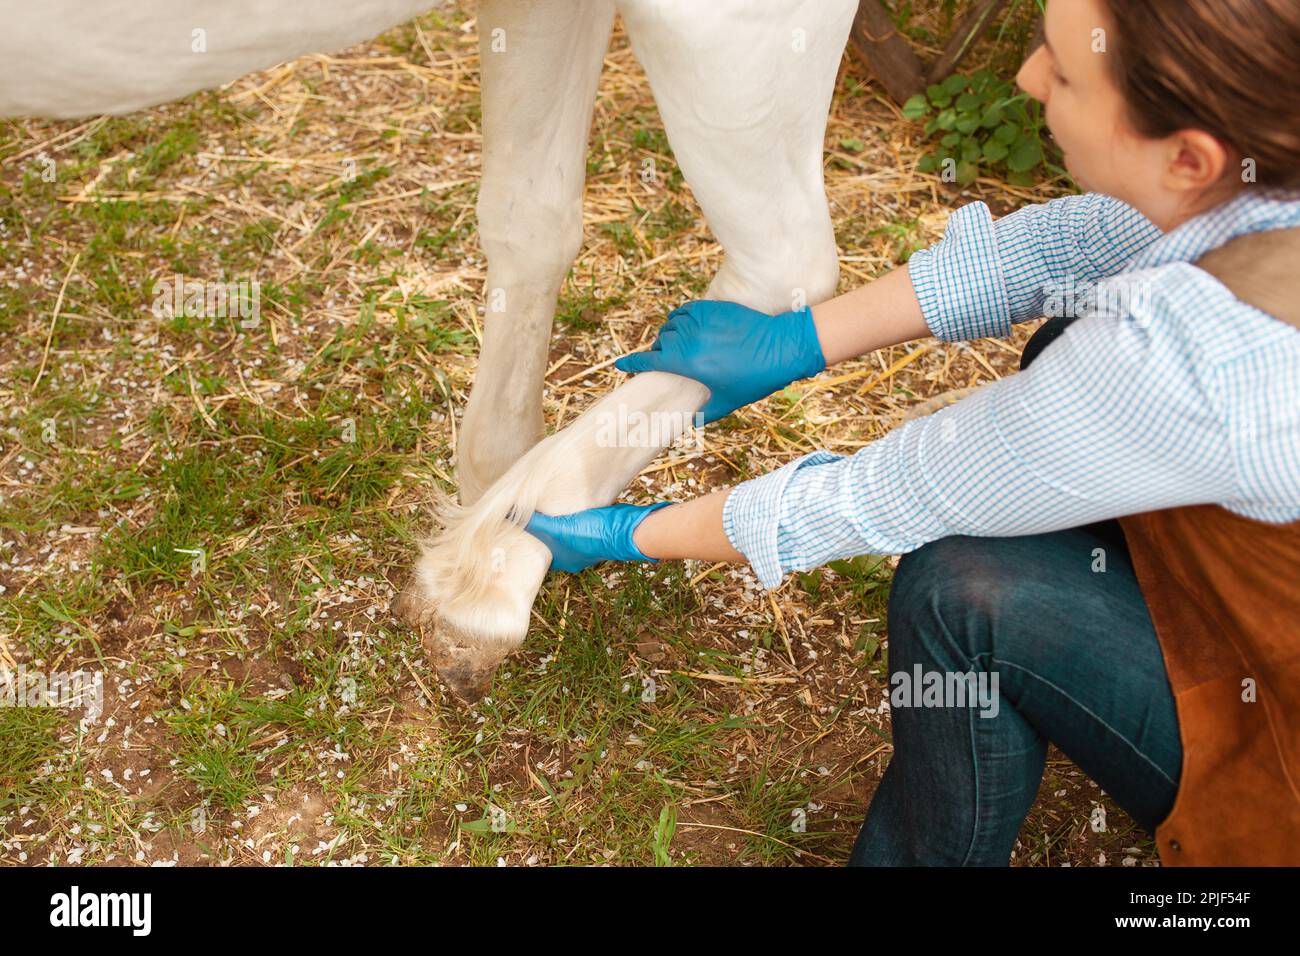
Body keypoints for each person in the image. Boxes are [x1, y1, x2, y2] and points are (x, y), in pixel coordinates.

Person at [523, 0, 1300, 865]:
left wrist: (634, 532)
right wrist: (800, 343)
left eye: (1065, 71)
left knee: (958, 593)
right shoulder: (1262, 174)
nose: (1027, 76)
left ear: (1191, 156)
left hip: (1283, 757)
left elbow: (894, 493)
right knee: (1068, 335)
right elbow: (1072, 247)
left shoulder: (1203, 358)